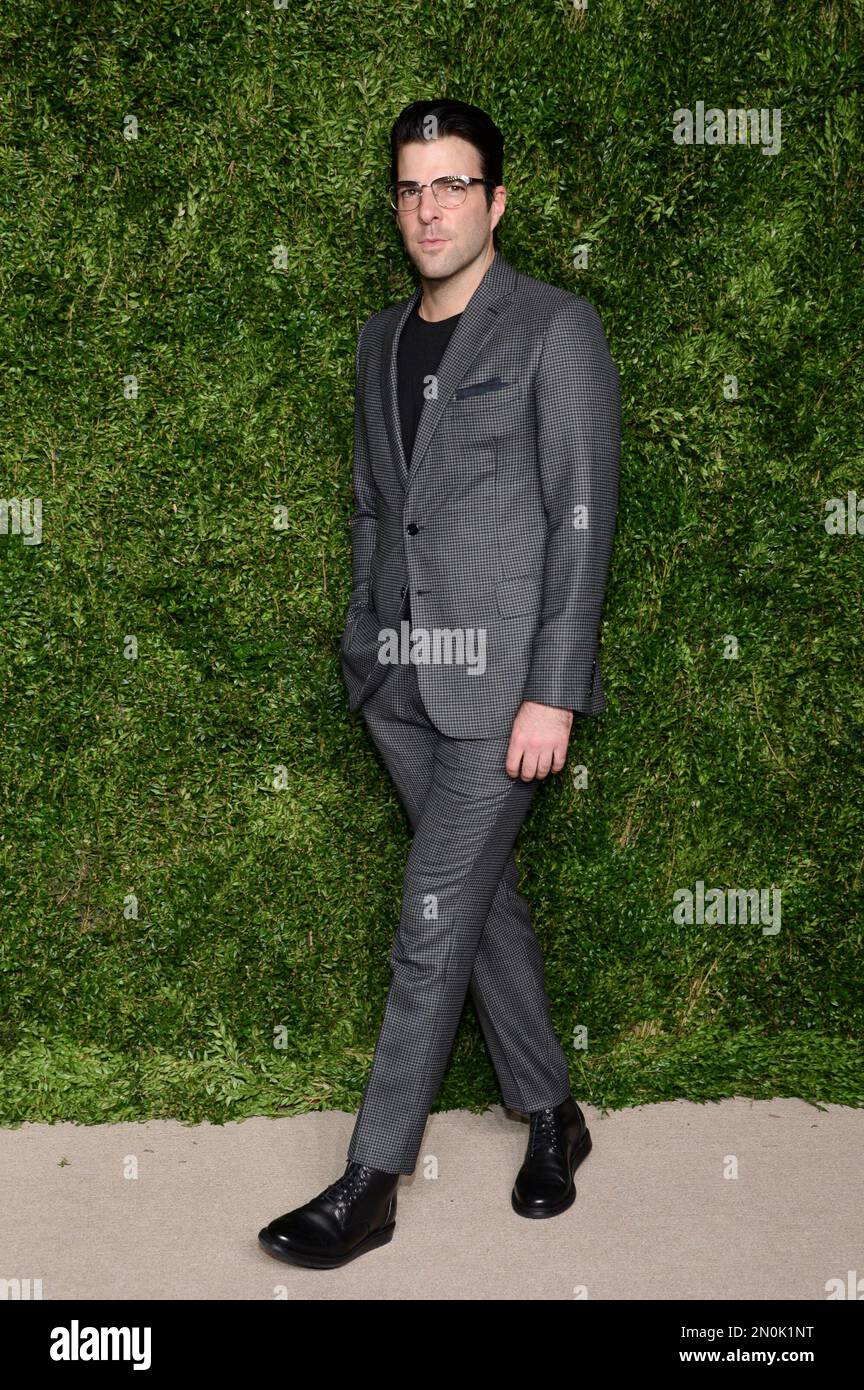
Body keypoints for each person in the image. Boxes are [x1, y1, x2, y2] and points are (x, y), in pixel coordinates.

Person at [259, 98, 620, 1269]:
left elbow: (582, 520)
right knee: (479, 905)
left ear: (495, 201)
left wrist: (553, 692)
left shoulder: (554, 329)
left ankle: (372, 1179)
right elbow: (378, 503)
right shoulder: (378, 339)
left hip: (505, 688)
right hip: (403, 684)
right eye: (411, 188)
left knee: (426, 922)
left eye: (452, 186)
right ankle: (553, 1112)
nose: (429, 208)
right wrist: (366, 639)